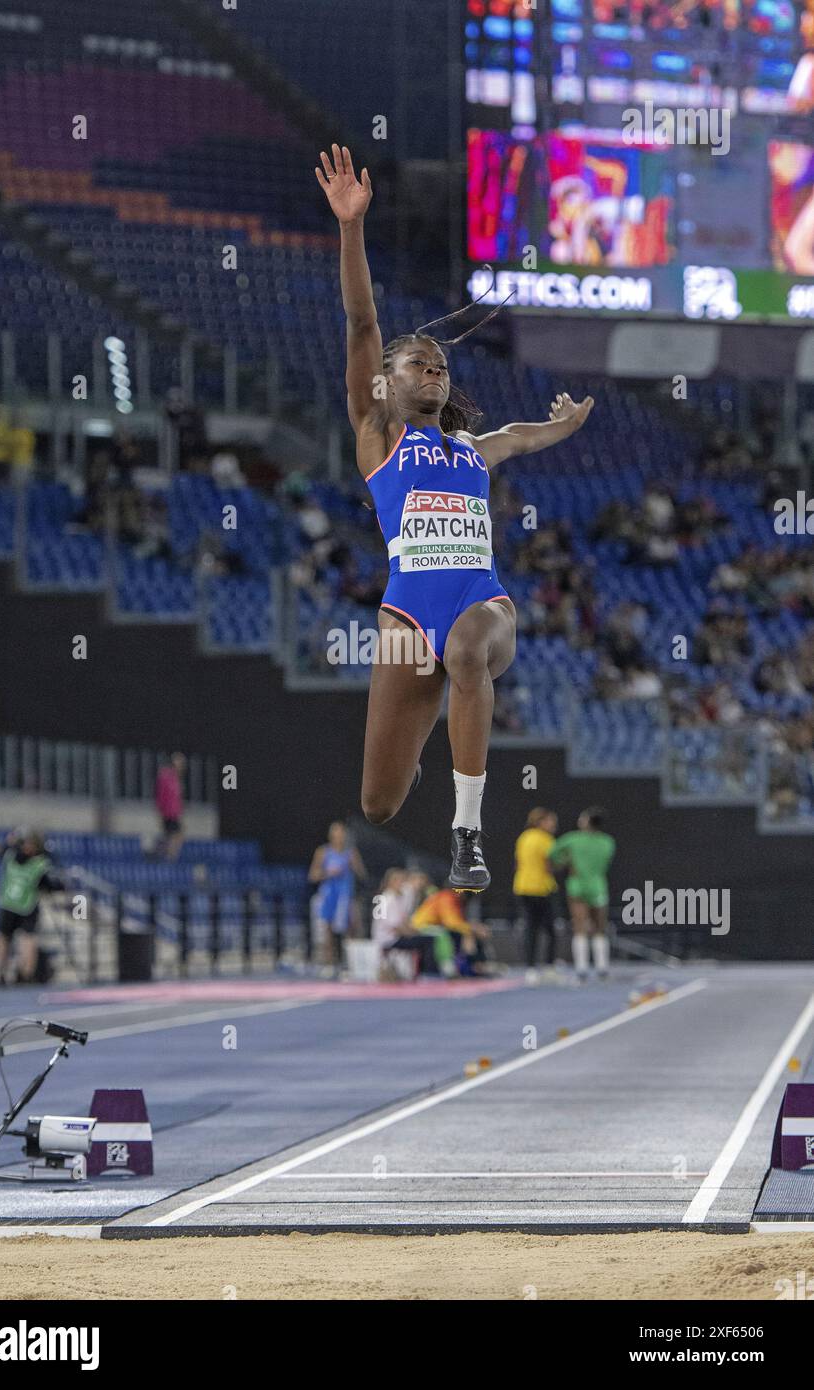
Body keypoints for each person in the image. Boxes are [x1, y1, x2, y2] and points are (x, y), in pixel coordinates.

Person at [315, 143, 594, 894]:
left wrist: (561, 427)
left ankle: (467, 831)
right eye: (420, 366)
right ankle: (434, 735)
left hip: (479, 601)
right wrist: (351, 227)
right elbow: (361, 320)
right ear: (388, 382)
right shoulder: (377, 435)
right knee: (377, 803)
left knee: (470, 655)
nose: (435, 372)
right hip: (408, 617)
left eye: (442, 366)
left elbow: (525, 436)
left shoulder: (474, 448)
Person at [548, 807, 616, 983]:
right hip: (598, 886)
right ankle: (602, 967)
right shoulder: (607, 842)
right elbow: (607, 861)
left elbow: (552, 854)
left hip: (577, 886)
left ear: (586, 822)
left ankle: (582, 969)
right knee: (599, 928)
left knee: (580, 927)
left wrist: (565, 861)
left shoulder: (573, 839)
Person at [0, 830, 63, 986]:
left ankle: (22, 973)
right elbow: (53, 883)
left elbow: (2, 848)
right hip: (21, 906)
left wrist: (11, 841)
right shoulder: (40, 863)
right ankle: (10, 973)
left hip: (14, 904)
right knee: (8, 938)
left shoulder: (10, 856)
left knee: (23, 939)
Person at [308, 821, 367, 977]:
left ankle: (349, 964)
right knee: (328, 932)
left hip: (346, 896)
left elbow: (362, 874)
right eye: (336, 833)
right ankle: (330, 964)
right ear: (331, 835)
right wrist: (328, 873)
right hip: (329, 896)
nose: (339, 837)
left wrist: (353, 865)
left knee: (350, 929)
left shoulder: (351, 853)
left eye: (342, 833)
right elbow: (312, 876)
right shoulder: (323, 852)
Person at [513, 807, 558, 983]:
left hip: (522, 887)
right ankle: (549, 968)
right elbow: (549, 865)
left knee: (530, 929)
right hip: (542, 889)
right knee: (550, 930)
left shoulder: (523, 838)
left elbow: (517, 863)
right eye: (550, 821)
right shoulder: (546, 839)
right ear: (540, 822)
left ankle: (531, 970)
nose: (554, 825)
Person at [155, 753, 186, 860]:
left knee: (173, 836)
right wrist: (161, 810)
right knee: (175, 835)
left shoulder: (177, 778)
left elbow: (177, 797)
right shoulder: (166, 776)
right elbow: (161, 795)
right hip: (169, 812)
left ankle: (166, 854)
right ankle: (168, 856)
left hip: (174, 812)